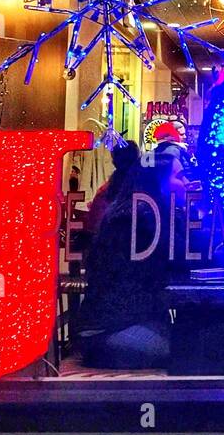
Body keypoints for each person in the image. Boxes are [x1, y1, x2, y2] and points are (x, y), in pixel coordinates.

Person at [74, 140, 190, 369]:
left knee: (198, 342)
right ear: (157, 183)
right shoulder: (141, 220)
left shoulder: (130, 214)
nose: (186, 183)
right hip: (109, 332)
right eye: (178, 176)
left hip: (115, 325)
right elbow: (182, 259)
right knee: (197, 350)